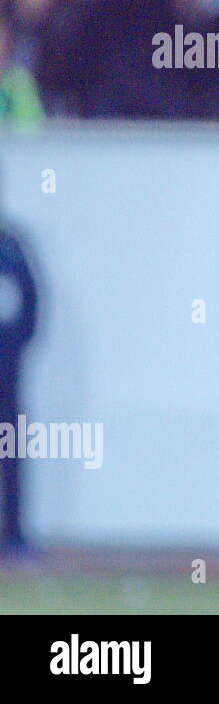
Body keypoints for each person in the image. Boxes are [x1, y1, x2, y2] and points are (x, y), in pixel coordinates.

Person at [0, 173, 38, 557]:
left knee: (9, 451)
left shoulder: (12, 245)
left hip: (6, 370)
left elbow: (32, 302)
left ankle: (13, 536)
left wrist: (15, 348)